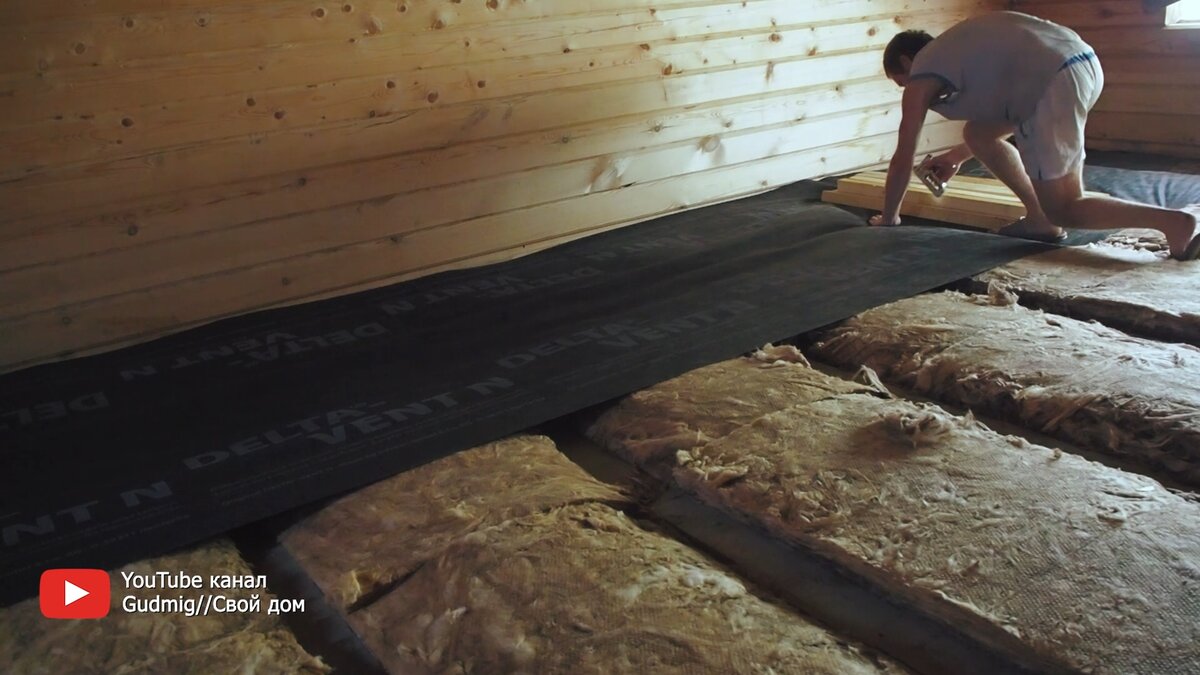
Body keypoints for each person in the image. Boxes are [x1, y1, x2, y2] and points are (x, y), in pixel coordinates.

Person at [871, 11, 1200, 261]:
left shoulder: (926, 68)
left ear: (906, 62)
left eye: (900, 81)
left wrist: (889, 218)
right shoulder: (960, 51)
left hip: (1052, 80)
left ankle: (1173, 222)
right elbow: (1016, 110)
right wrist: (955, 157)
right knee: (977, 132)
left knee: (1066, 207)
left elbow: (904, 153)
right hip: (1082, 64)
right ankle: (1039, 218)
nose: (906, 90)